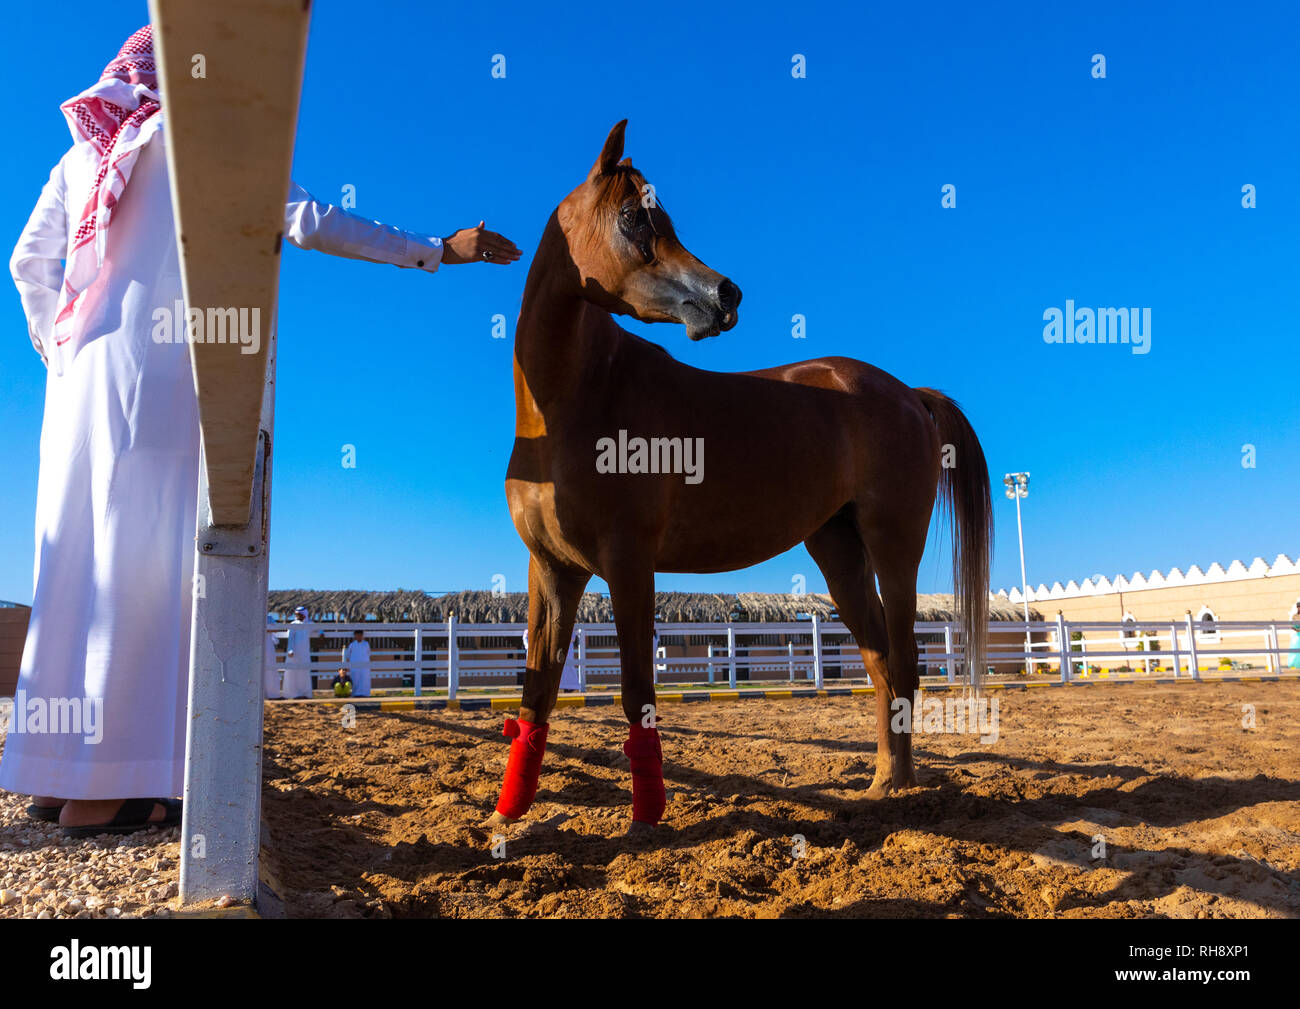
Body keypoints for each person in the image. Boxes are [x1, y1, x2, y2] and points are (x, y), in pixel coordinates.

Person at [1, 25, 522, 835]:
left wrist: (58, 345)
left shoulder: (82, 156)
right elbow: (310, 222)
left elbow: (26, 264)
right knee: (153, 567)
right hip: (166, 374)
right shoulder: (198, 141)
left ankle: (57, 768)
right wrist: (435, 250)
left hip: (76, 386)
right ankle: (106, 788)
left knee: (77, 561)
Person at [283, 608, 314, 699]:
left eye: (298, 614)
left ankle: (304, 693)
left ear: (304, 615)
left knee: (304, 672)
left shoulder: (310, 624)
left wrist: (321, 633)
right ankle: (292, 694)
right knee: (293, 672)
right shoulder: (293, 624)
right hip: (294, 653)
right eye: (296, 614)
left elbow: (318, 629)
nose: (297, 616)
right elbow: (290, 638)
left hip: (304, 653)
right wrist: (290, 650)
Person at [341, 630, 372, 697]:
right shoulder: (352, 645)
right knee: (355, 679)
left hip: (364, 665)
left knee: (365, 679)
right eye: (357, 635)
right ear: (355, 636)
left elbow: (369, 653)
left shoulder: (366, 644)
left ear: (362, 636)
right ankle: (355, 693)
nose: (359, 637)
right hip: (354, 666)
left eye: (360, 635)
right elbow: (348, 655)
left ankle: (365, 693)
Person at [264, 615, 282, 700]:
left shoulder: (269, 618)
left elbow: (276, 628)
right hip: (257, 644)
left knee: (271, 668)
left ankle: (272, 693)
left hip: (268, 646)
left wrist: (264, 629)